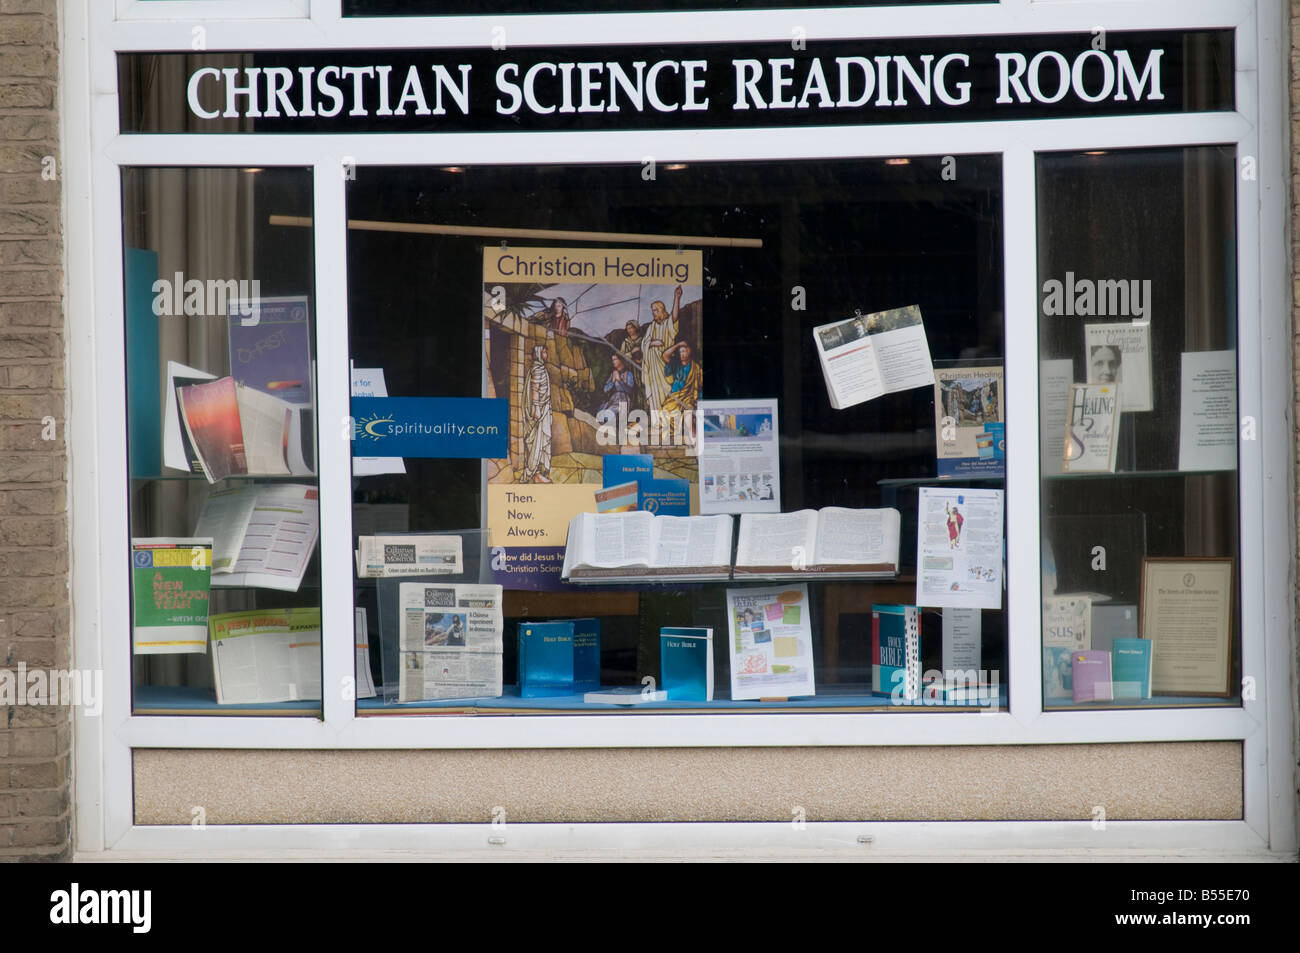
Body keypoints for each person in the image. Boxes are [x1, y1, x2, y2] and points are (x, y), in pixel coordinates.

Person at [642, 285, 682, 418]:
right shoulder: (651, 326)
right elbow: (644, 343)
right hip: (653, 366)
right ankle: (656, 422)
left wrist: (677, 298)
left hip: (665, 363)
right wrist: (653, 343)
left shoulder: (667, 323)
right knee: (654, 392)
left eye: (655, 310)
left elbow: (675, 318)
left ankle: (668, 422)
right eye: (652, 311)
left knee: (667, 390)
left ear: (661, 310)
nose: (653, 313)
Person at [521, 345, 552, 483]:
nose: (546, 354)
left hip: (545, 407)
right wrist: (537, 408)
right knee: (537, 442)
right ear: (539, 354)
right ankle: (533, 473)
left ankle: (539, 473)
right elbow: (535, 389)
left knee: (542, 442)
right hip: (539, 409)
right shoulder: (537, 369)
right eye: (544, 351)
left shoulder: (541, 368)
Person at [661, 340, 701, 414]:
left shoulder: (695, 367)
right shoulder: (675, 363)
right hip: (674, 397)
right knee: (665, 411)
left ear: (689, 351)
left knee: (688, 411)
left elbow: (700, 384)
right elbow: (665, 355)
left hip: (688, 398)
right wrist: (678, 344)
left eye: (684, 351)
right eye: (680, 352)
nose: (681, 354)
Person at [600, 351, 637, 418]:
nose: (613, 362)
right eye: (612, 360)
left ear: (620, 360)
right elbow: (605, 390)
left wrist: (620, 380)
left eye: (615, 359)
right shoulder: (613, 374)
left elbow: (630, 391)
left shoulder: (628, 374)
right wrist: (612, 381)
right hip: (613, 399)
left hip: (624, 400)